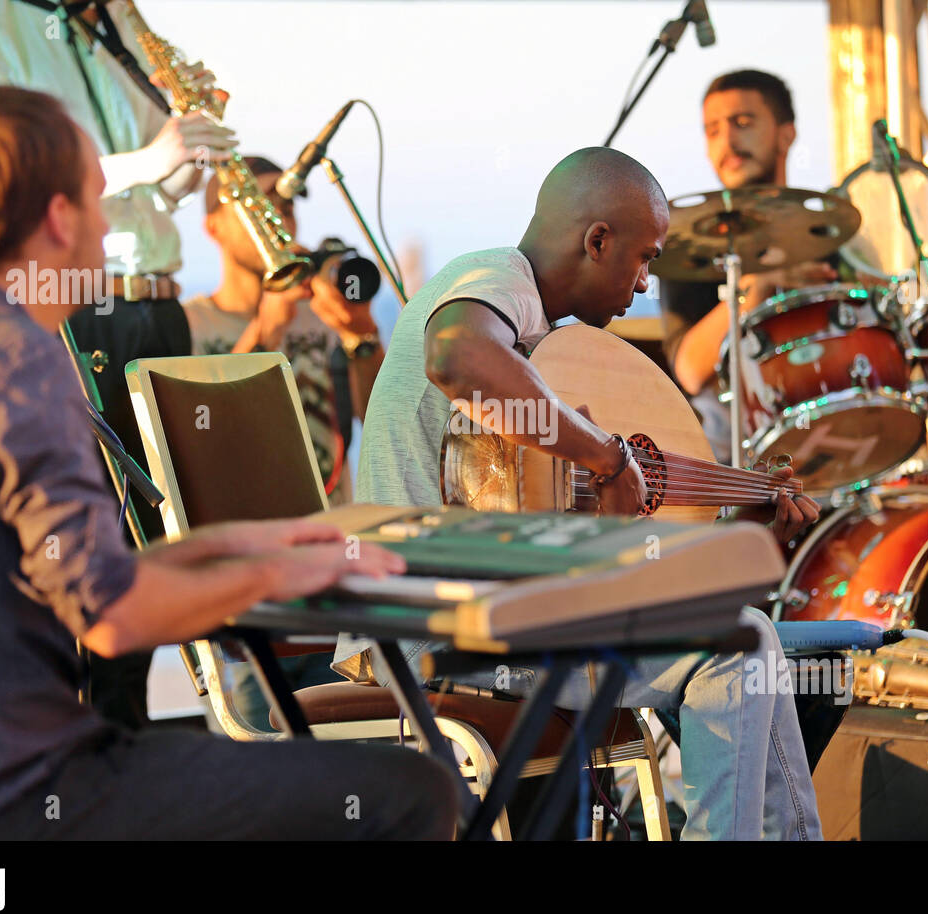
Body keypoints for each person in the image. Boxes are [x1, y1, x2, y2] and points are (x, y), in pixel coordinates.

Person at [0, 86, 456, 841]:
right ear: (59, 217)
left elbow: (82, 568)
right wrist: (277, 576)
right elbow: (111, 615)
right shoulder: (20, 361)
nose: (108, 227)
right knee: (411, 790)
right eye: (99, 201)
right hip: (25, 795)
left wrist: (248, 545)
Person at [345, 146, 822, 840]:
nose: (646, 283)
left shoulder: (545, 342)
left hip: (492, 620)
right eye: (644, 257)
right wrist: (604, 453)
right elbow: (455, 356)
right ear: (597, 240)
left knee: (749, 635)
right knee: (739, 643)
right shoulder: (496, 279)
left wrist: (733, 524)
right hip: (429, 634)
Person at [0, 0, 239, 727]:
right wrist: (150, 158)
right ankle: (78, 769)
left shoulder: (119, 27)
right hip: (72, 307)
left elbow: (154, 196)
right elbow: (7, 174)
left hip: (155, 306)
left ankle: (140, 754)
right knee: (89, 560)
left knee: (167, 542)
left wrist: (186, 163)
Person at [185, 156, 389, 727]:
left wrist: (362, 337)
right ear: (214, 227)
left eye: (285, 202)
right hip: (247, 584)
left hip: (334, 568)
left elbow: (378, 418)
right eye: (256, 204)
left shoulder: (323, 317)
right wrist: (268, 328)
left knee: (361, 745)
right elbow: (204, 427)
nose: (278, 214)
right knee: (261, 770)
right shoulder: (191, 324)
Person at [660, 70, 838, 461]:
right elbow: (690, 369)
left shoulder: (832, 233)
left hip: (834, 445)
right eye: (712, 130)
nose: (728, 141)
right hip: (728, 465)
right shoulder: (688, 243)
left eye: (743, 123)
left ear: (786, 135)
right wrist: (758, 287)